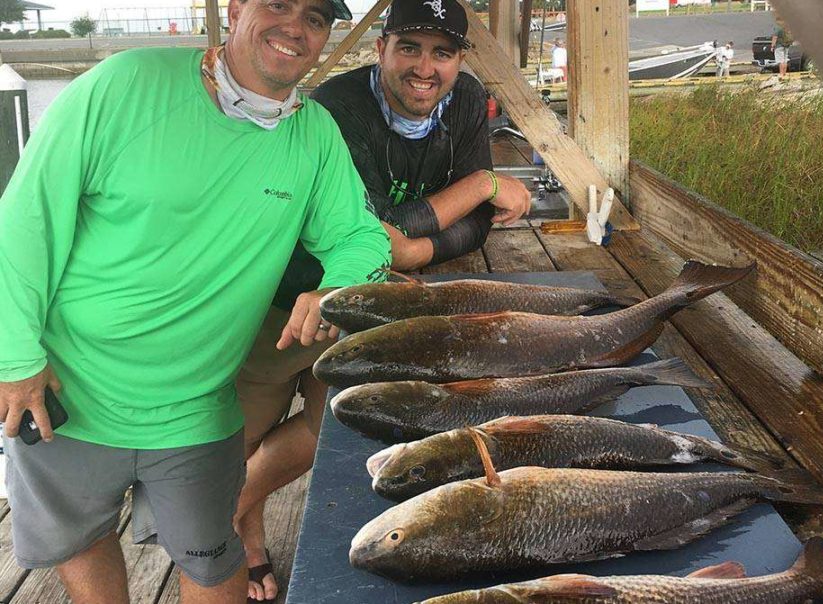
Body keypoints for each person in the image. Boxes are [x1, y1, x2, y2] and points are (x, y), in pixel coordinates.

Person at [0, 1, 391, 603]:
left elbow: (359, 235)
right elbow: (25, 220)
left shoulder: (313, 131)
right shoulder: (124, 83)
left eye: (315, 17)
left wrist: (336, 285)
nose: (295, 26)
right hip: (66, 389)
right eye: (277, 4)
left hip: (199, 407)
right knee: (78, 542)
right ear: (235, 8)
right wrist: (12, 358)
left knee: (212, 560)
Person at [231, 0, 531, 600]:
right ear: (381, 49)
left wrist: (416, 252)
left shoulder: (468, 101)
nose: (426, 68)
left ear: (460, 60)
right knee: (240, 431)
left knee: (331, 426)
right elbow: (375, 225)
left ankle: (232, 512)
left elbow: (474, 229)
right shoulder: (338, 109)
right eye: (410, 49)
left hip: (362, 303)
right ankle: (245, 538)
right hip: (277, 298)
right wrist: (477, 185)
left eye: (442, 52)